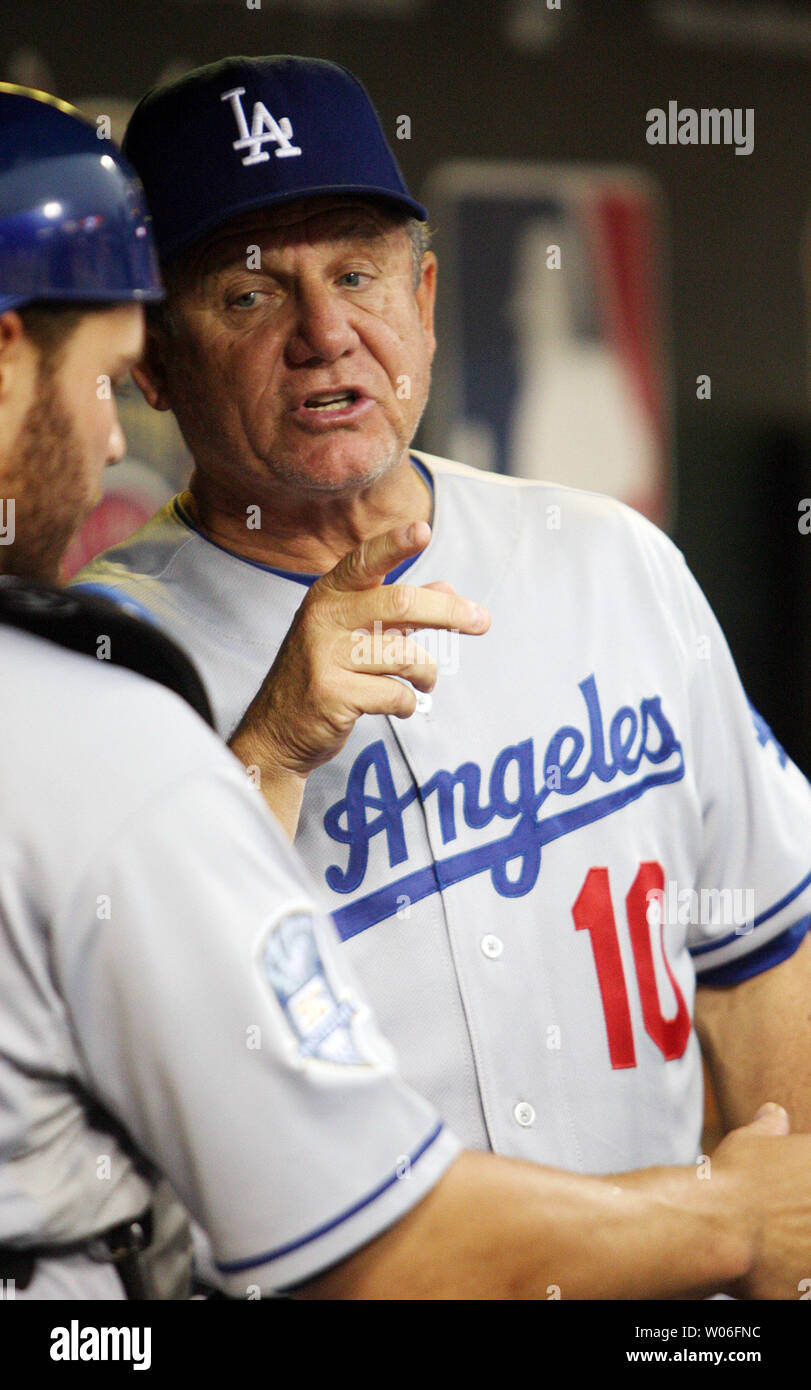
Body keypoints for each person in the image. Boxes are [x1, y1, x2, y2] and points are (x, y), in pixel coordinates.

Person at [17, 69, 806, 1303]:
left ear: (427, 299)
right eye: (248, 290)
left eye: (359, 275)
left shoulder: (609, 560)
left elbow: (762, 963)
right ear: (153, 361)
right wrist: (265, 749)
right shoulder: (93, 667)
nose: (325, 334)